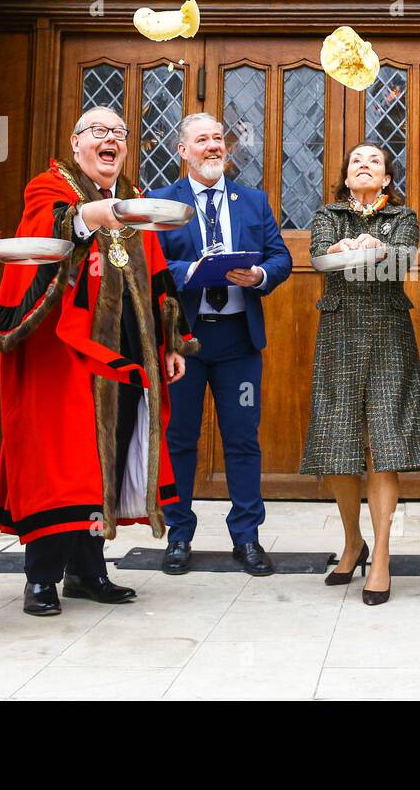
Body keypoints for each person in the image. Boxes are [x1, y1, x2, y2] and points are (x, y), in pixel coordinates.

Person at [0, 106, 195, 617]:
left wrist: (171, 342)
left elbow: (158, 277)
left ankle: (88, 569)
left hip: (125, 349)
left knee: (112, 453)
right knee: (62, 462)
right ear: (77, 143)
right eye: (98, 132)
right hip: (64, 350)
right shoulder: (50, 186)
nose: (111, 141)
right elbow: (51, 231)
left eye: (119, 135)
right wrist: (89, 218)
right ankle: (41, 577)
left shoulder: (134, 201)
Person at [300, 143, 420, 605]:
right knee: (339, 440)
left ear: (386, 179)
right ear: (346, 177)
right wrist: (343, 247)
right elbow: (321, 258)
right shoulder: (328, 215)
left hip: (388, 331)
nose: (364, 166)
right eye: (356, 162)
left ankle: (380, 554)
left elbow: (404, 258)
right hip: (339, 330)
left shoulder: (402, 216)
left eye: (375, 162)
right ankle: (352, 542)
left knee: (384, 442)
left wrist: (379, 248)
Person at [147, 113, 292, 577]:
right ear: (182, 150)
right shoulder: (161, 202)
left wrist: (260, 275)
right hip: (183, 340)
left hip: (237, 340)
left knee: (243, 440)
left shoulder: (252, 201)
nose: (213, 147)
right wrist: (189, 271)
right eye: (202, 140)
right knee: (180, 439)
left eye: (218, 139)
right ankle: (179, 535)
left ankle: (247, 538)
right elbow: (149, 265)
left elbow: (281, 257)